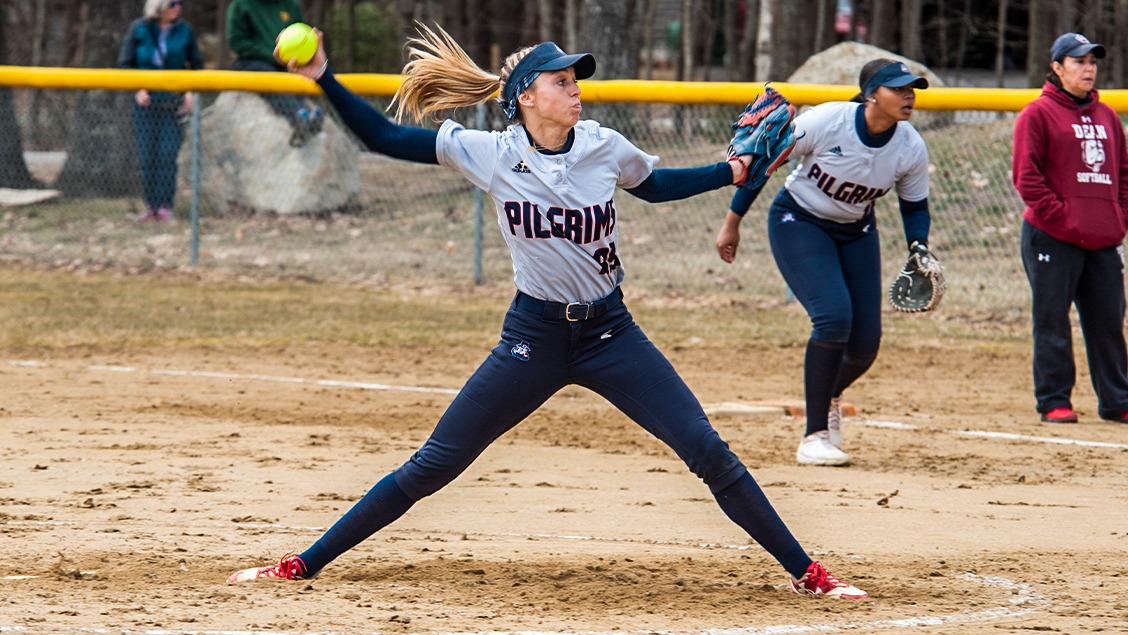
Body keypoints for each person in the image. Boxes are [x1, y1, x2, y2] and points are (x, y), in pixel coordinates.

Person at [224, 24, 868, 599]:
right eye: (560, 81)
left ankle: (807, 572)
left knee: (708, 450)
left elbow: (655, 186)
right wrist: (323, 77)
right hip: (533, 337)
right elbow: (383, 136)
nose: (574, 88)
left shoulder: (602, 145)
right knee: (434, 465)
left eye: (575, 79)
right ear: (527, 97)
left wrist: (731, 170)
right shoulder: (491, 152)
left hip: (611, 333)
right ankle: (303, 564)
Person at [715, 59, 934, 466]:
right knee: (833, 318)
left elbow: (915, 205)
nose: (908, 96)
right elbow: (765, 163)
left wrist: (918, 246)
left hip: (857, 232)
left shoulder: (910, 146)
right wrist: (732, 223)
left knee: (865, 345)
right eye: (898, 88)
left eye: (912, 89)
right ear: (871, 95)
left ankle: (829, 394)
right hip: (799, 221)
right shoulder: (828, 121)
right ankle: (813, 436)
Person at [1012, 32, 1128, 425]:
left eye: (1092, 62)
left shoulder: (1108, 116)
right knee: (1053, 322)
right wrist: (1062, 217)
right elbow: (1027, 178)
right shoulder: (1038, 114)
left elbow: (1123, 173)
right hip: (1052, 236)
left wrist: (1118, 217)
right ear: (1057, 68)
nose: (1088, 69)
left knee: (1108, 322)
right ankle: (1054, 399)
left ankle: (1117, 400)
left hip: (1102, 237)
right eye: (1079, 62)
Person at [118, 0, 203, 222]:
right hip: (145, 104)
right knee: (147, 156)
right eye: (173, 3)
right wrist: (138, 89)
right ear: (158, 5)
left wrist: (189, 92)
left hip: (173, 103)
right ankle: (151, 206)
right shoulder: (139, 28)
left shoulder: (184, 30)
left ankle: (166, 206)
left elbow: (197, 65)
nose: (178, 7)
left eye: (180, 3)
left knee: (167, 155)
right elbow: (125, 64)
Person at [225, 0, 323, 146]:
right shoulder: (241, 5)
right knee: (270, 77)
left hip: (285, 63)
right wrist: (273, 54)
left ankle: (307, 116)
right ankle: (297, 116)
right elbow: (237, 42)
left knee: (296, 77)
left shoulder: (291, 5)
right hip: (251, 62)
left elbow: (302, 35)